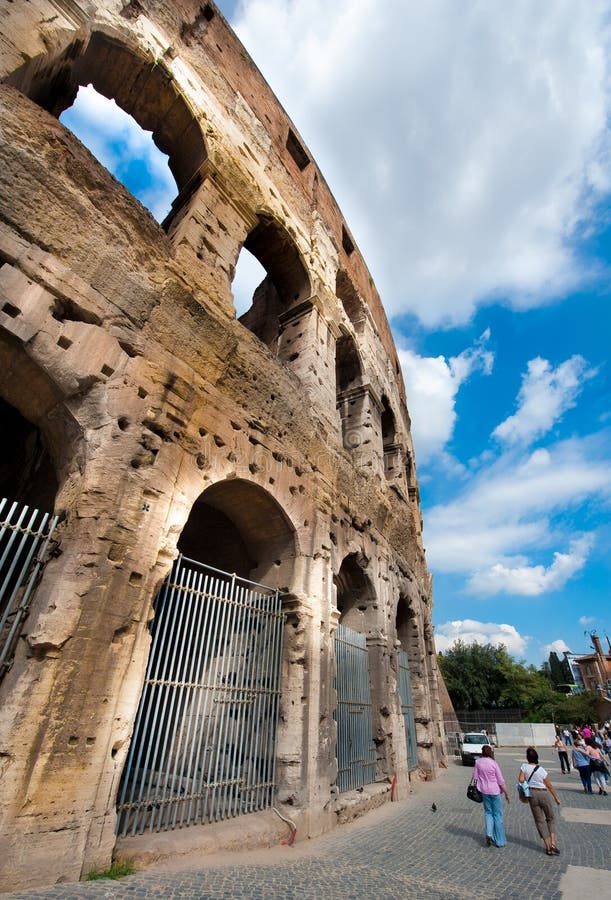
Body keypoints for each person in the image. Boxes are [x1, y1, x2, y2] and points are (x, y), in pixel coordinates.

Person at [519, 747, 561, 856]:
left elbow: (521, 780)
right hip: (543, 793)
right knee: (550, 818)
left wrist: (528, 780)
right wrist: (556, 797)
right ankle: (553, 842)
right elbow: (549, 785)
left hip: (532, 794)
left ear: (527, 758)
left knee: (539, 821)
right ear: (537, 757)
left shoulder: (524, 767)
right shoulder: (541, 770)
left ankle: (547, 847)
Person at [473, 744, 510, 847]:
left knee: (488, 813)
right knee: (497, 815)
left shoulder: (478, 762)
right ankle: (500, 840)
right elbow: (500, 780)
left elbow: (475, 777)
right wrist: (506, 793)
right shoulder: (494, 763)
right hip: (494, 791)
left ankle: (489, 834)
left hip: (484, 791)